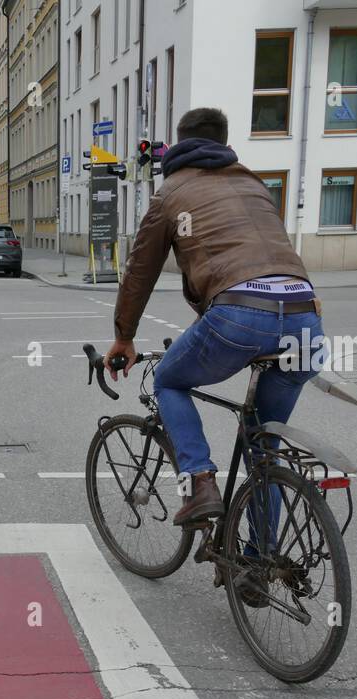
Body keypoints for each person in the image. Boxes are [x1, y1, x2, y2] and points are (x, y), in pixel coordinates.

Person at [105, 107, 323, 529]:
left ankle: (200, 481)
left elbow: (139, 272)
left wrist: (124, 336)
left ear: (179, 142)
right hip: (305, 319)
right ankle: (260, 568)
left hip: (241, 314)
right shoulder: (252, 183)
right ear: (224, 143)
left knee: (169, 379)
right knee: (266, 447)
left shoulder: (171, 192)